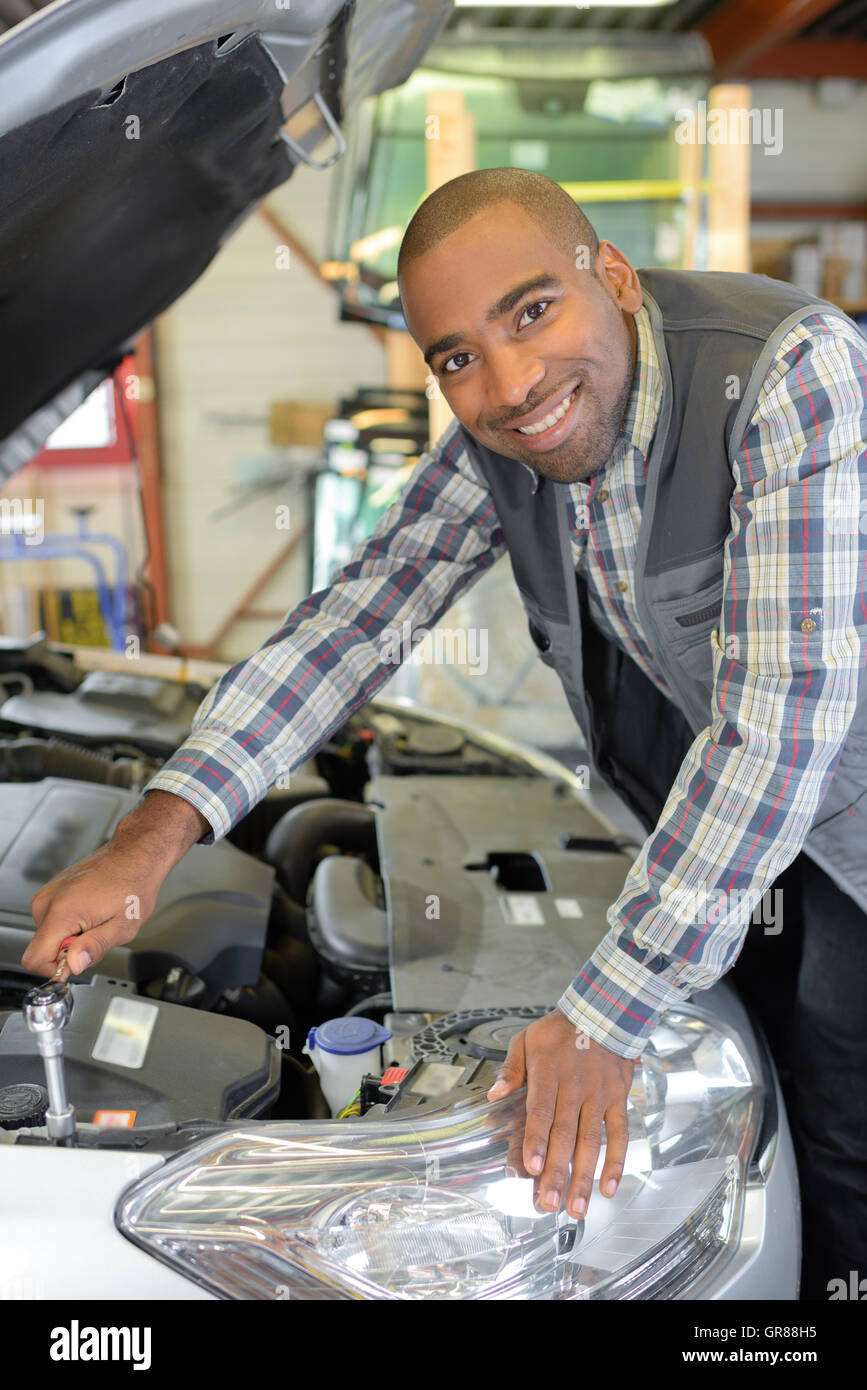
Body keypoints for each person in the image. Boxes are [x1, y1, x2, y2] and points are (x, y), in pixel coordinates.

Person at [22, 168, 867, 1300]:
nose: (511, 386)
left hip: (846, 818)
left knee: (841, 1110)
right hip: (739, 827)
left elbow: (779, 726)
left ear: (614, 276)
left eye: (533, 311)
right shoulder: (502, 441)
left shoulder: (785, 374)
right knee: (773, 1078)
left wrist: (603, 1019)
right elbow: (356, 622)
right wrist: (152, 838)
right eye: (457, 357)